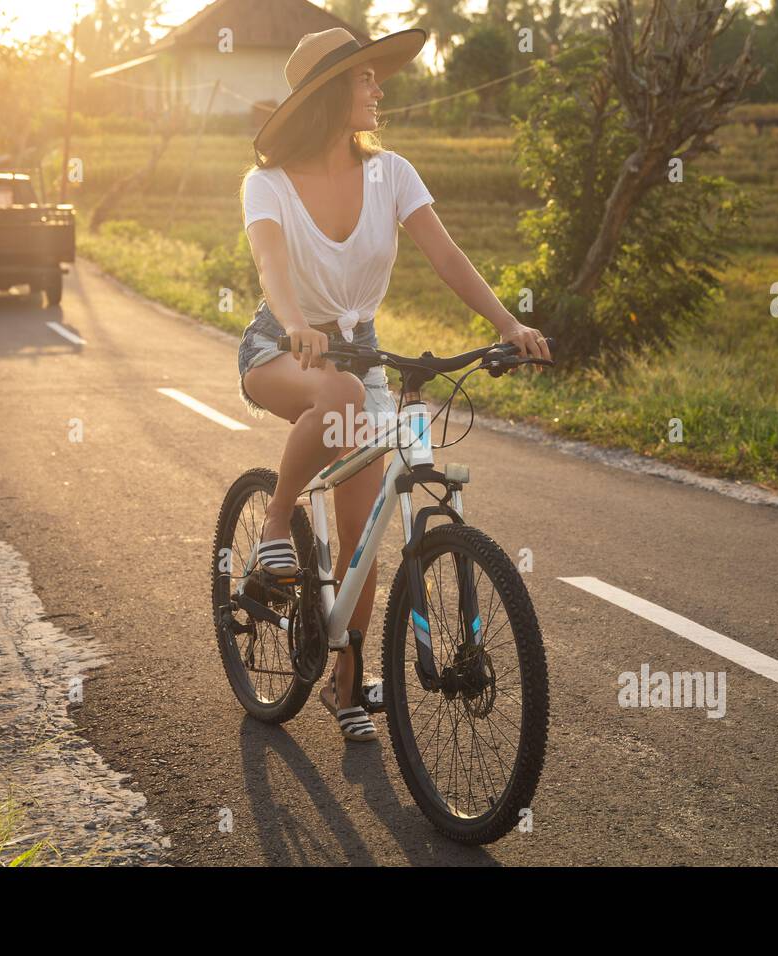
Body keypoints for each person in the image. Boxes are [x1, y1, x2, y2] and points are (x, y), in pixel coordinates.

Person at [236, 27, 551, 742]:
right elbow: (270, 265)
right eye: (365, 79)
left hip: (362, 354)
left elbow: (446, 255)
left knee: (361, 537)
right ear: (328, 94)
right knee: (340, 397)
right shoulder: (268, 184)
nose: (380, 90)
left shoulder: (394, 173)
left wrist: (507, 325)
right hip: (281, 348)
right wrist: (295, 325)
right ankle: (278, 525)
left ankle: (345, 683)